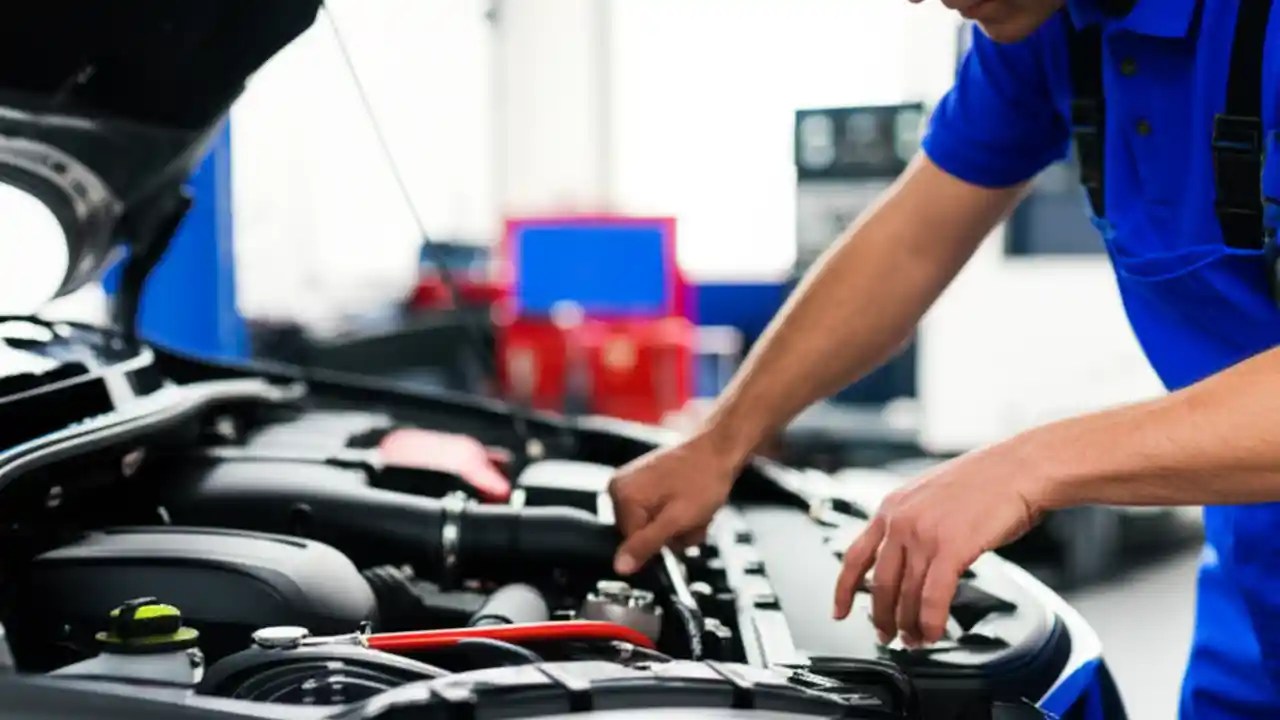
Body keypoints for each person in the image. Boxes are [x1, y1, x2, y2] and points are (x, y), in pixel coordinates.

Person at [606, 0, 1280, 716]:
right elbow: (911, 244)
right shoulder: (1050, 24)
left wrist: (1026, 467)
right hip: (1251, 585)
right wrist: (721, 441)